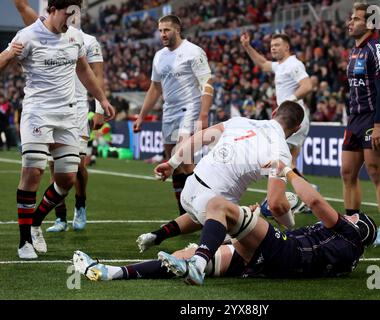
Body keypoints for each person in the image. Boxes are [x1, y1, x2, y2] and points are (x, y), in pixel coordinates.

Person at [73, 162, 377, 284]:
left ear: (360, 228)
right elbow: (303, 238)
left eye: (353, 216)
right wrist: (254, 224)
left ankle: (200, 260)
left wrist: (290, 172)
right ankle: (110, 272)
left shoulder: (351, 236)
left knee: (219, 206)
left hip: (286, 255)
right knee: (182, 257)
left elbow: (316, 203)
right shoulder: (346, 252)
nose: (348, 215)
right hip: (276, 261)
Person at [0, 0, 115, 259]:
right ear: (52, 10)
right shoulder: (27, 36)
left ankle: (36, 222)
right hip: (37, 113)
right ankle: (24, 241)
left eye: (76, 15)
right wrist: (7, 55)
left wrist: (102, 100)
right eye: (68, 14)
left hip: (67, 115)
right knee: (33, 172)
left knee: (67, 179)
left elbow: (84, 70)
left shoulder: (74, 37)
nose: (71, 20)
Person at [136, 101, 304, 252]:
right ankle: (196, 251)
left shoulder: (240, 121)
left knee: (203, 211)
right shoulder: (281, 150)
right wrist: (290, 224)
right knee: (256, 244)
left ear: (274, 113)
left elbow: (199, 138)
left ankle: (157, 235)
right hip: (213, 203)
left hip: (189, 189)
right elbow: (275, 205)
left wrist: (171, 164)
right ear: (297, 128)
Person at [132, 14, 214, 216]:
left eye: (166, 30)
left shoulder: (194, 52)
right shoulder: (159, 56)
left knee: (184, 157)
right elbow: (154, 88)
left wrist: (203, 114)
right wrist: (142, 116)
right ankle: (184, 213)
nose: (163, 34)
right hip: (169, 111)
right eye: (160, 30)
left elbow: (207, 84)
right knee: (173, 161)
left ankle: (202, 209)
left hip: (190, 108)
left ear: (177, 30)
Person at [341, 2, 380, 246]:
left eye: (356, 19)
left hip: (374, 117)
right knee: (347, 173)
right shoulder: (354, 51)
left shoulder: (377, 50)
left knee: (375, 172)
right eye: (350, 18)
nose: (350, 22)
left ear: (370, 23)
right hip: (355, 119)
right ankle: (353, 224)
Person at [240, 32, 312, 170]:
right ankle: (305, 190)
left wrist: (287, 102)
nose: (273, 48)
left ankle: (293, 190)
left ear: (287, 47)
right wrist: (247, 46)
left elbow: (307, 86)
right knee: (288, 164)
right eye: (272, 45)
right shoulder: (280, 65)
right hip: (291, 116)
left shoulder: (293, 64)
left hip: (293, 117)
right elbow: (262, 63)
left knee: (277, 160)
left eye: (277, 45)